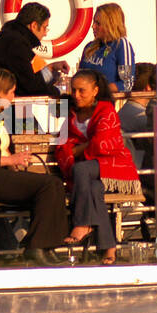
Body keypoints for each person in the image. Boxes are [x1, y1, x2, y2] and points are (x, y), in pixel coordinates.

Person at [0, 68, 69, 266]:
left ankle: (46, 246)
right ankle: (36, 247)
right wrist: (11, 160)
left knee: (54, 185)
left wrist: (13, 161)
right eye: (11, 92)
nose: (13, 97)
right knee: (50, 185)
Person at [54, 70, 140, 264]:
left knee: (81, 169)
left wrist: (76, 151)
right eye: (73, 90)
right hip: (91, 176)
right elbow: (64, 143)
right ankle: (109, 248)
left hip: (113, 167)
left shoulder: (106, 110)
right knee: (92, 189)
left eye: (81, 91)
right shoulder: (72, 114)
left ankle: (82, 223)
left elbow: (102, 143)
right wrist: (77, 148)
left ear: (95, 90)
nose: (76, 95)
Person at [0, 2, 68, 100]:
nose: (45, 33)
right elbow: (29, 86)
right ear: (34, 26)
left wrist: (50, 69)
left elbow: (26, 81)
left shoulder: (10, 36)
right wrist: (59, 92)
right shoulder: (15, 43)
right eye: (45, 28)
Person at [77, 2, 137, 94]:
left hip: (103, 102)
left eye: (98, 23)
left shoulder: (121, 45)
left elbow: (126, 84)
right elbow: (78, 78)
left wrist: (96, 90)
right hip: (82, 101)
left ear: (110, 25)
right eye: (94, 22)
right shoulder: (89, 47)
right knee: (56, 102)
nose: (93, 26)